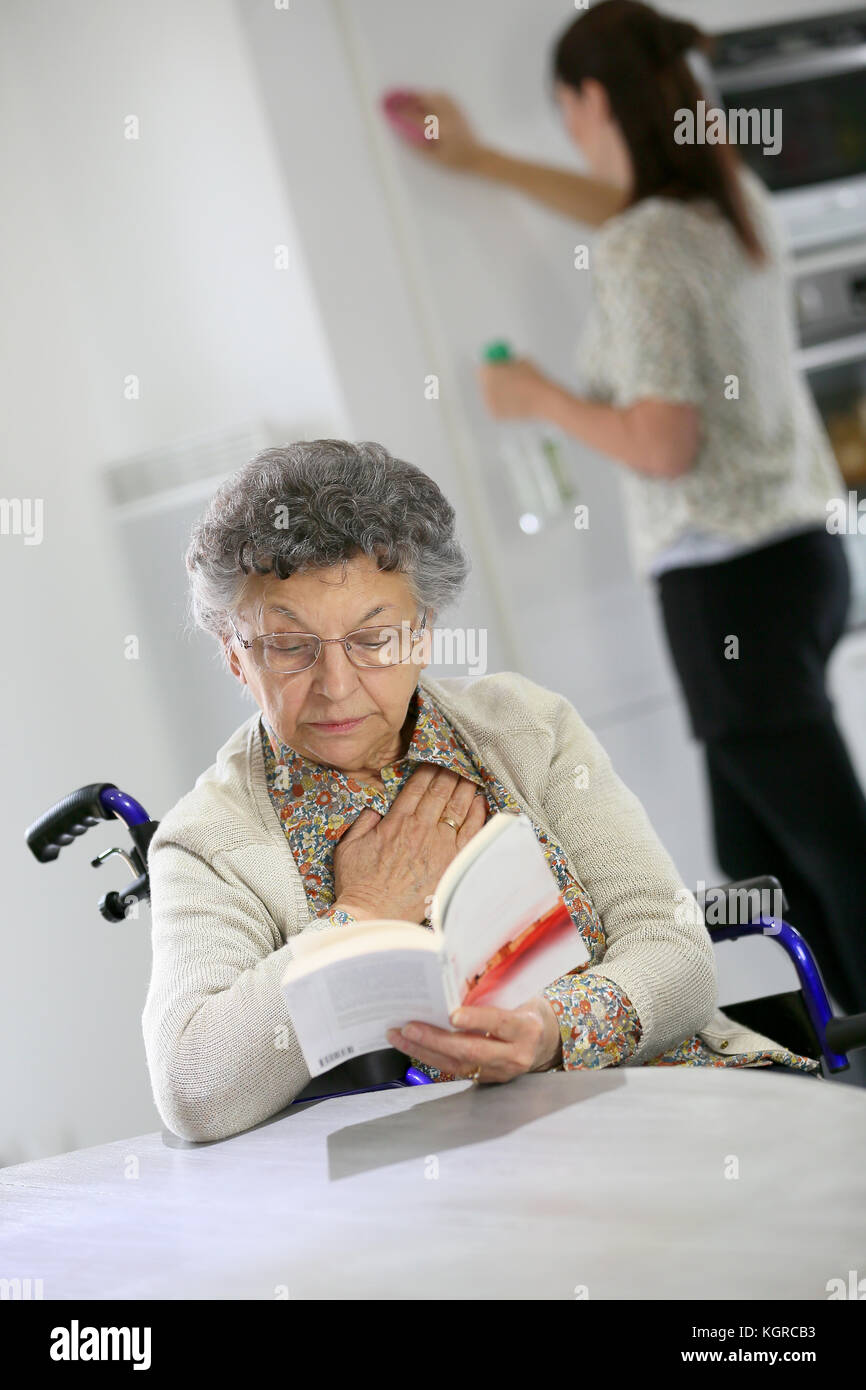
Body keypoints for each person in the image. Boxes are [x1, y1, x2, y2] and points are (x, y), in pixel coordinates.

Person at [385, 0, 866, 1018]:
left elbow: (662, 441)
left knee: (828, 849)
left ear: (588, 99)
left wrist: (540, 401)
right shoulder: (727, 202)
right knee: (762, 853)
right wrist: (480, 163)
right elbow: (623, 216)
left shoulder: (646, 243)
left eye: (563, 111)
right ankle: (840, 1059)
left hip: (725, 579)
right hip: (798, 561)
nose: (564, 130)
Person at [142, 440, 819, 1145]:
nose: (336, 684)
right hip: (444, 1179)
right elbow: (194, 1089)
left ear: (425, 630)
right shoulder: (208, 839)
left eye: (374, 640)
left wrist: (551, 1030)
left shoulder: (527, 727)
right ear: (232, 653)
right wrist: (363, 914)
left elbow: (675, 953)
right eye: (289, 646)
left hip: (665, 1102)